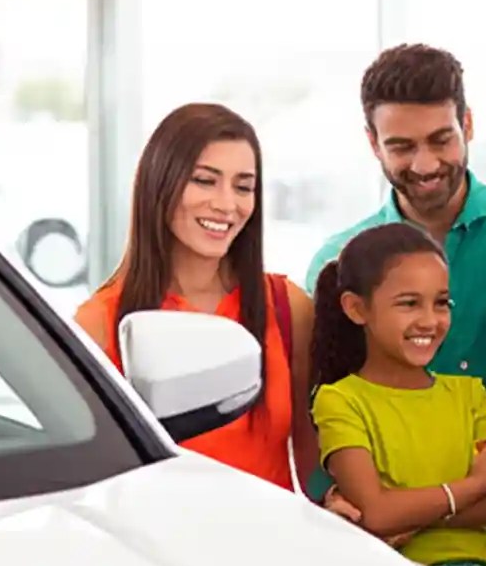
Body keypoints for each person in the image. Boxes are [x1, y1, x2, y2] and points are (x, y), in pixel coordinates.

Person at [304, 43, 486, 566]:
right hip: (387, 565)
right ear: (372, 144)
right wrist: (335, 507)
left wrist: (403, 510)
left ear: (467, 125)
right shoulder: (339, 264)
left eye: (441, 139)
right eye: (401, 146)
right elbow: (322, 401)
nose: (425, 165)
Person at [74, 102, 320, 495]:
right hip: (158, 547)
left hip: (274, 545)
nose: (226, 204)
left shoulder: (287, 306)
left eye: (243, 186)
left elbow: (313, 464)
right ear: (161, 183)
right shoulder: (100, 324)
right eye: (205, 181)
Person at [310, 222, 486, 566]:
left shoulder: (470, 394)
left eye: (441, 302)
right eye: (408, 303)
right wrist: (470, 487)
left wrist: (400, 511)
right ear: (357, 309)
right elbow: (376, 514)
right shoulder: (339, 399)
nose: (429, 320)